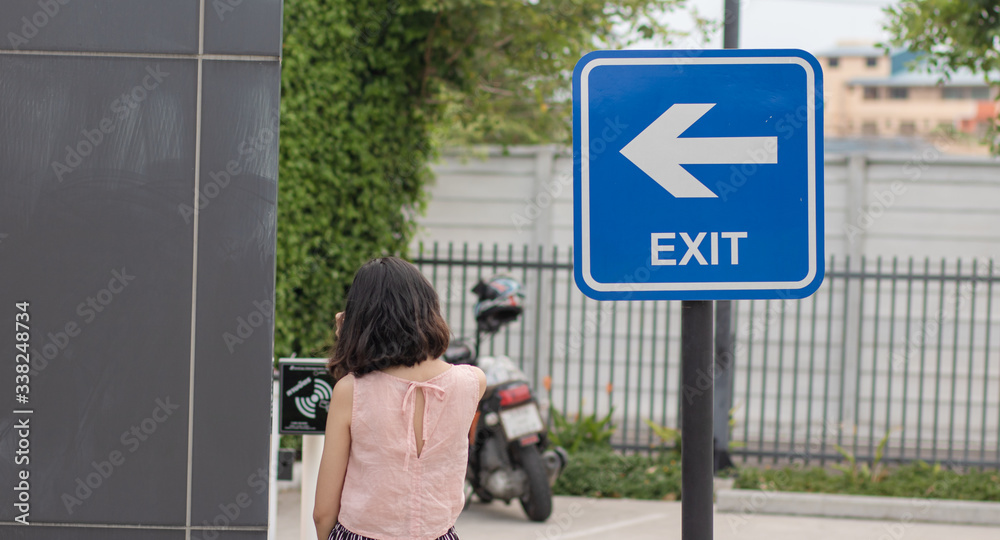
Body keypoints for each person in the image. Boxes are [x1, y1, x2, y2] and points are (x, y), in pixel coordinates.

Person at [313, 257, 487, 540]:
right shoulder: (473, 382)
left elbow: (323, 512)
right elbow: (425, 367)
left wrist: (348, 340)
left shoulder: (350, 391)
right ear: (428, 310)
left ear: (362, 319)